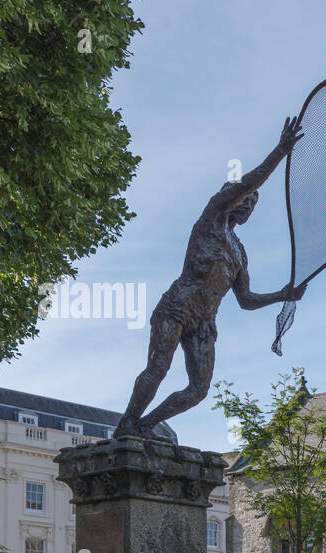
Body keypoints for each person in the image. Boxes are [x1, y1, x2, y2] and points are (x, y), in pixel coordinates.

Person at [115, 117, 307, 438]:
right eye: (246, 197)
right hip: (178, 306)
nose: (248, 203)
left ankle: (145, 425)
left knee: (199, 389)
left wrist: (283, 293)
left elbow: (245, 300)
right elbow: (248, 183)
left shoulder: (239, 252)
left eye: (254, 203)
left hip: (205, 322)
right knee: (159, 367)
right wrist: (280, 151)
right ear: (231, 196)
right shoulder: (212, 218)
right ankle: (127, 423)